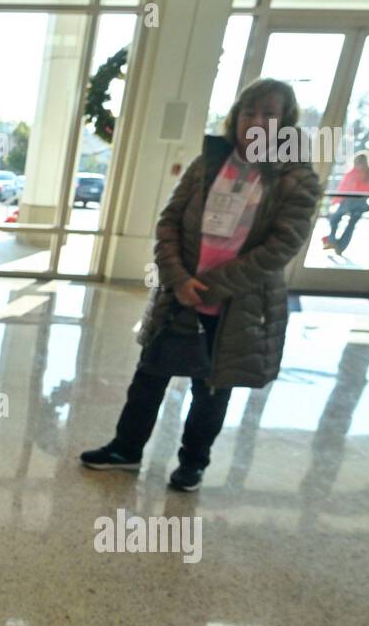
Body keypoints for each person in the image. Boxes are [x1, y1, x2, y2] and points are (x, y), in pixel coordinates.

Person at [80, 78, 321, 490]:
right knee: (149, 377)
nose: (256, 121)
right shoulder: (209, 163)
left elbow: (281, 247)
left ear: (285, 122)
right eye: (249, 112)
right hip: (180, 294)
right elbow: (169, 221)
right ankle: (126, 449)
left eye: (268, 114)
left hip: (235, 306)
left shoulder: (296, 178)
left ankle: (192, 463)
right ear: (236, 117)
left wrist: (212, 286)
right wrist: (178, 278)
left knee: (211, 391)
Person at [323, 151, 369, 256]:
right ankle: (340, 247)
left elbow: (344, 188)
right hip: (361, 202)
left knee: (334, 219)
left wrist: (335, 201)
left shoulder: (352, 173)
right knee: (351, 226)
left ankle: (333, 240)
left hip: (348, 201)